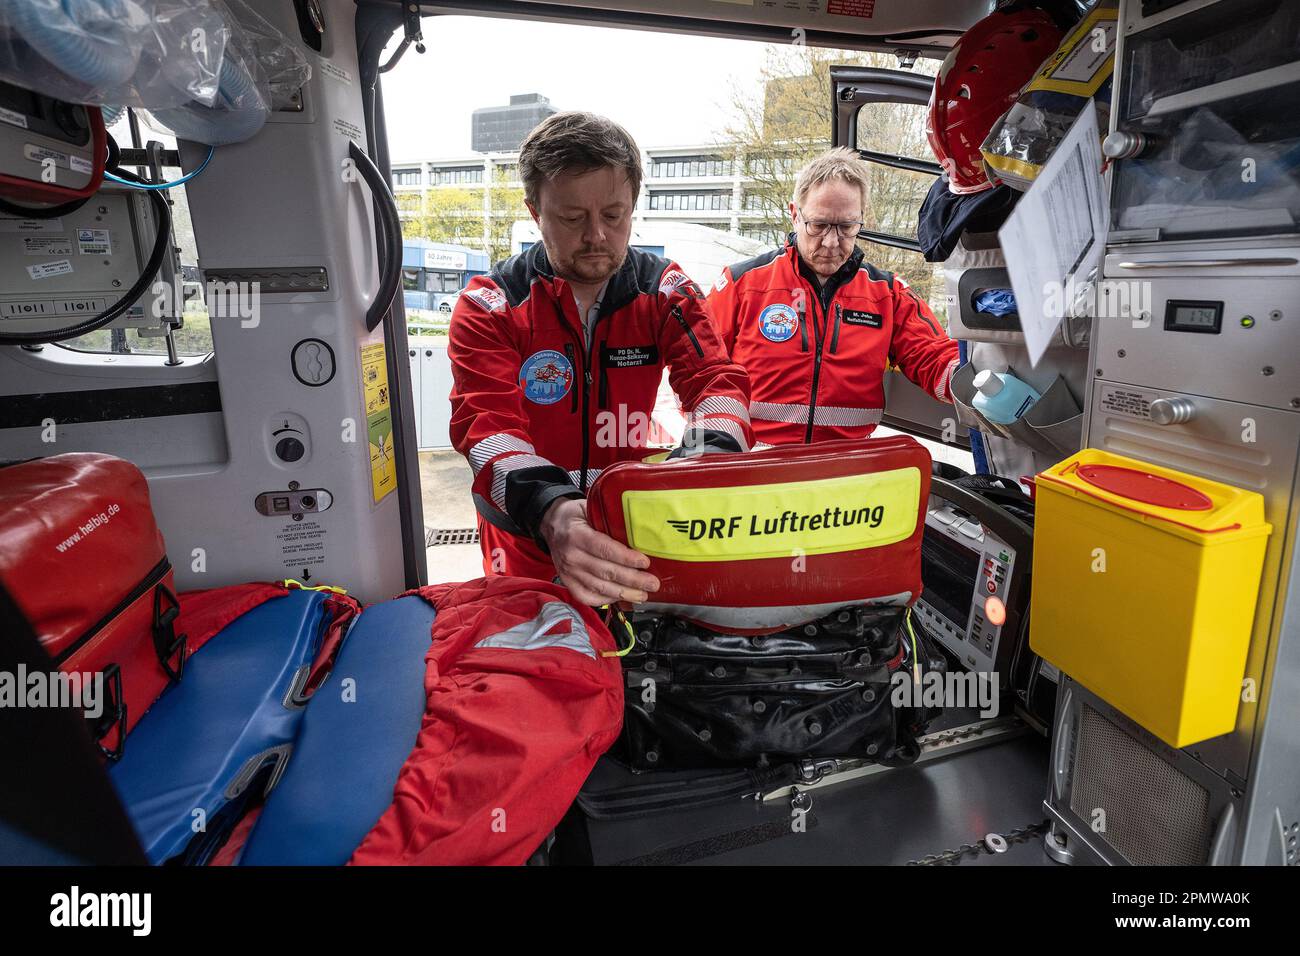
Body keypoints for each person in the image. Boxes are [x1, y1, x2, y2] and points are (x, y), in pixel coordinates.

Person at [449, 111, 752, 606]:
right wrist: (554, 512)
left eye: (614, 215)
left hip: (630, 531)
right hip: (524, 537)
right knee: (532, 672)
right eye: (572, 218)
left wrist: (702, 463)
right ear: (534, 212)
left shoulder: (666, 292)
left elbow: (716, 381)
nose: (596, 236)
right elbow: (488, 430)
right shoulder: (490, 305)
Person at [707, 147, 959, 446]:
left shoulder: (888, 296)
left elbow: (933, 358)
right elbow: (702, 371)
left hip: (843, 474)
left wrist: (976, 383)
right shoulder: (741, 284)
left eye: (846, 227)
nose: (830, 241)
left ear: (861, 219)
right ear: (794, 215)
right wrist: (720, 445)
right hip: (755, 468)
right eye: (819, 224)